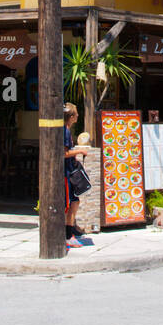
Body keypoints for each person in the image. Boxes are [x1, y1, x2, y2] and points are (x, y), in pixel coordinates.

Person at [64, 103, 91, 247]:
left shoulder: (67, 130)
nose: (78, 116)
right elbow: (64, 153)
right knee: (70, 203)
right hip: (66, 172)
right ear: (71, 116)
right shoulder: (65, 131)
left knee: (74, 202)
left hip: (68, 171)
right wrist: (80, 152)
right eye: (76, 114)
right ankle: (68, 234)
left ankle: (70, 230)